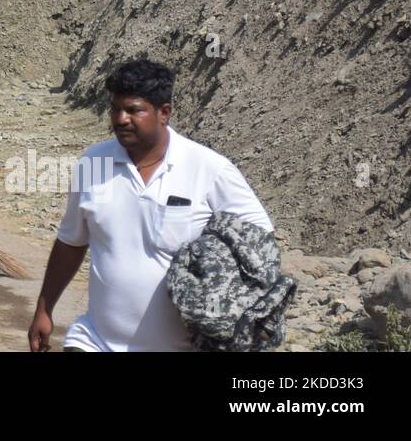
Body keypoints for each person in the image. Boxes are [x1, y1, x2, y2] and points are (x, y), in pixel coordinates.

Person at [27, 59, 273, 353]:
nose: (120, 119)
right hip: (95, 340)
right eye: (115, 109)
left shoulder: (208, 169)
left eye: (133, 110)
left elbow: (259, 243)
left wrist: (224, 297)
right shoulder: (94, 163)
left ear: (164, 113)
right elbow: (71, 242)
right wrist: (44, 308)